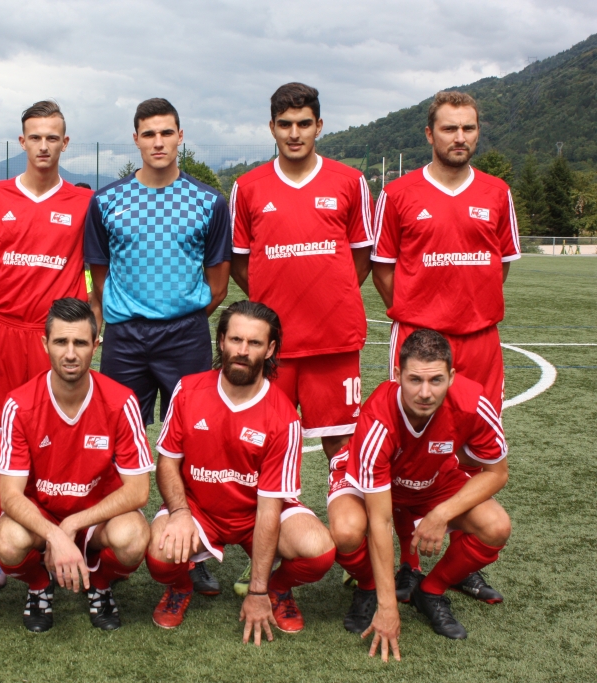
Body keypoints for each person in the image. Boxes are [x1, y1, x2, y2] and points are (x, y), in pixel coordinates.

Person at [371, 90, 520, 601]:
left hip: (481, 341)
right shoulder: (399, 193)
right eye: (450, 128)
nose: (460, 137)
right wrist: (421, 315)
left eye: (469, 128)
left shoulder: (498, 192)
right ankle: (408, 561)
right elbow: (384, 269)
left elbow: (500, 265)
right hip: (418, 339)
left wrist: (469, 309)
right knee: (412, 451)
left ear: (477, 132)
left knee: (475, 453)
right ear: (429, 134)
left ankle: (458, 559)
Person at [229, 82, 374, 596]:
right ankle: (266, 558)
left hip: (335, 343)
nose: (295, 133)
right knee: (260, 448)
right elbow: (243, 265)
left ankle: (360, 569)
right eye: (285, 124)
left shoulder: (350, 181)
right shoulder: (247, 188)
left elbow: (358, 259)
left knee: (343, 452)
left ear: (319, 126)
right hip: (275, 353)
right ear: (272, 128)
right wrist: (276, 313)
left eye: (304, 123)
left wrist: (328, 297)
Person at [85, 97, 232, 595]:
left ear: (180, 135)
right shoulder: (106, 202)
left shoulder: (208, 201)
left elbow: (217, 282)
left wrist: (180, 315)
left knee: (191, 442)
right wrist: (129, 314)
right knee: (111, 439)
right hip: (126, 338)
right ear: (136, 140)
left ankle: (191, 545)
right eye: (148, 134)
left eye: (166, 133)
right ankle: (105, 539)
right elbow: (100, 275)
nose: (158, 142)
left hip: (185, 334)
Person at [146, 301, 335, 641]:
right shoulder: (188, 391)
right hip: (199, 508)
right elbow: (169, 462)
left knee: (319, 551)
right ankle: (180, 585)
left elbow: (269, 505)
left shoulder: (283, 417)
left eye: (254, 343)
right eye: (235, 340)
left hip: (255, 512)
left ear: (270, 349)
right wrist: (178, 512)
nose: (243, 351)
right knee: (159, 555)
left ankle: (279, 589)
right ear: (221, 341)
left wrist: (259, 591)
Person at [0, 100, 93, 587]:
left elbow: (98, 273)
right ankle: (4, 539)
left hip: (57, 337)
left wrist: (90, 329)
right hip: (1, 333)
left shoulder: (83, 203)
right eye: (34, 137)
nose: (43, 145)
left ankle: (64, 531)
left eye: (52, 137)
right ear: (21, 142)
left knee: (57, 431)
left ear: (65, 143)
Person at [333, 330, 510, 659]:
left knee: (496, 527)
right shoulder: (378, 422)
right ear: (398, 375)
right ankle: (370, 585)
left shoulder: (473, 403)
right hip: (367, 484)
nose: (425, 393)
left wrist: (441, 514)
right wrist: (387, 608)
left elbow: (497, 473)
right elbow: (380, 519)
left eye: (436, 381)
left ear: (452, 377)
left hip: (430, 479)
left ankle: (431, 590)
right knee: (346, 531)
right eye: (414, 380)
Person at [0, 298, 153, 632]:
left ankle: (100, 584)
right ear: (45, 343)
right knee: (7, 540)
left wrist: (73, 525)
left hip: (95, 520)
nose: (70, 353)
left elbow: (139, 491)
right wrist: (54, 533)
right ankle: (39, 586)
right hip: (43, 517)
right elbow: (9, 496)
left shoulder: (122, 401)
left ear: (96, 344)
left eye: (80, 342)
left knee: (134, 536)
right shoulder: (19, 404)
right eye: (61, 341)